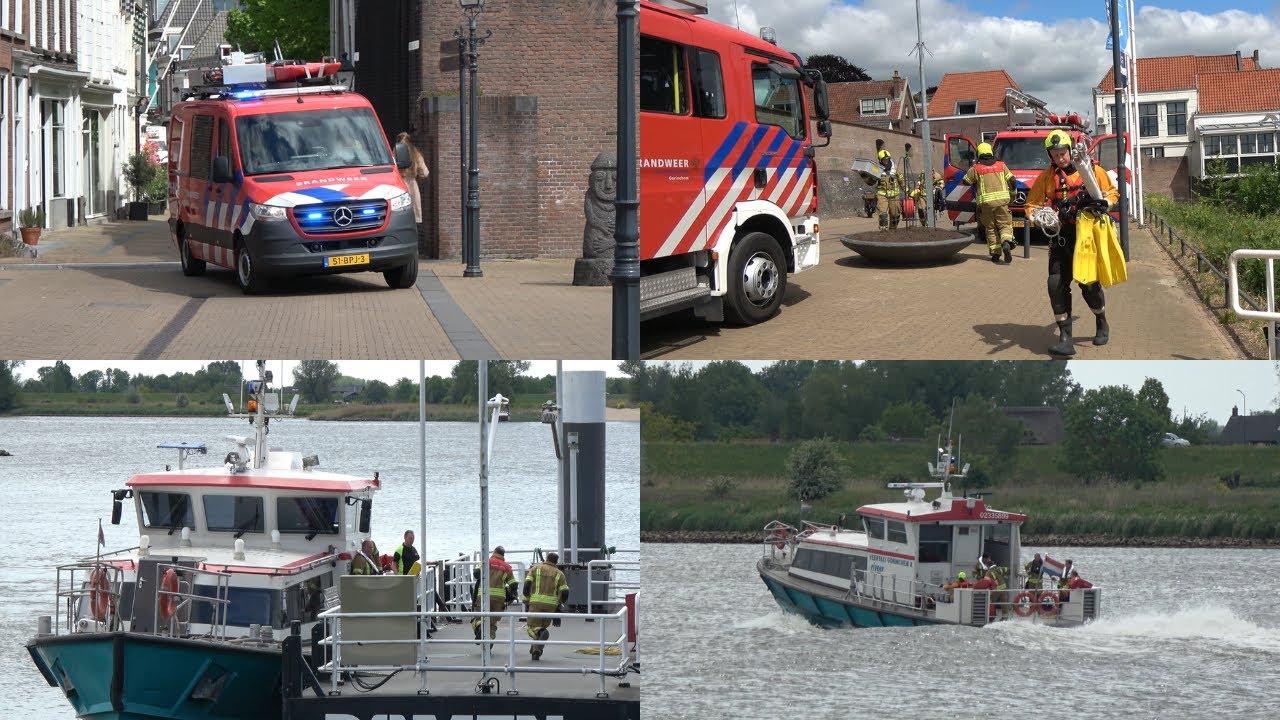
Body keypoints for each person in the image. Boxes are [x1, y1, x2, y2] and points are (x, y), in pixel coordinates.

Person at [1026, 130, 1119, 356]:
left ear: (1070, 150)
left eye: (1063, 153)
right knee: (1055, 284)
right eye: (1055, 154)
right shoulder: (1047, 177)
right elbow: (1032, 204)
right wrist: (1041, 218)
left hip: (1086, 235)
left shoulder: (1092, 171)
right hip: (1062, 236)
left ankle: (1101, 320)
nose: (1060, 158)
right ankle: (1066, 337)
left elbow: (1112, 193)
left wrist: (1103, 203)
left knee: (1088, 285)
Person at [962, 142, 1017, 264]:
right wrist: (1012, 194)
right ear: (991, 152)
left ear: (979, 154)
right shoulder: (1001, 165)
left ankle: (995, 254)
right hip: (1002, 202)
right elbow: (1012, 181)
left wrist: (972, 169)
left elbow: (965, 181)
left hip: (986, 204)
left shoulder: (976, 168)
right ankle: (1006, 242)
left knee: (990, 228)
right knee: (1005, 225)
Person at [522, 551, 570, 661]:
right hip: (551, 606)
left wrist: (526, 598)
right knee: (542, 626)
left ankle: (542, 633)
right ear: (556, 562)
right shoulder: (559, 573)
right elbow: (565, 592)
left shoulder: (535, 569)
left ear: (546, 559)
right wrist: (559, 605)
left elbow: (527, 585)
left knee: (533, 628)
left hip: (535, 603)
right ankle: (536, 652)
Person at [471, 545, 518, 641]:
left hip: (483, 595)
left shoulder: (485, 562)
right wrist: (509, 593)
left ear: (494, 552)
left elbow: (476, 574)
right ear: (503, 555)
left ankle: (480, 627)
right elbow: (514, 585)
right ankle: (490, 640)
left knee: (479, 617)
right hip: (499, 598)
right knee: (492, 621)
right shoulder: (507, 567)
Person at [395, 131, 430, 225]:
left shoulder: (394, 152)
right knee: (413, 216)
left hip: (398, 185)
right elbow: (424, 172)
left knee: (398, 215)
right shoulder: (415, 153)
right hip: (412, 185)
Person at [874, 149, 902, 230]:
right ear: (880, 160)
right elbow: (870, 181)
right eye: (884, 159)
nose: (886, 161)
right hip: (882, 194)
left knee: (895, 215)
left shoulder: (895, 168)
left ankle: (892, 231)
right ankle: (884, 232)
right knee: (883, 215)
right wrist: (863, 174)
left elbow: (901, 179)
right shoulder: (876, 168)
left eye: (887, 159)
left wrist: (906, 190)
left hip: (894, 195)